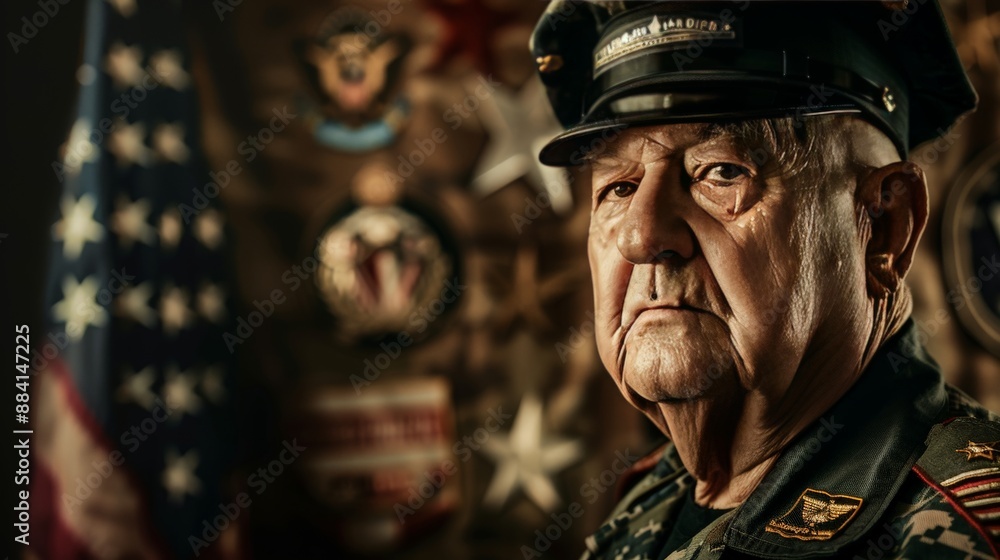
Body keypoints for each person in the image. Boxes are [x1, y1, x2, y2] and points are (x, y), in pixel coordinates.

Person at [531, 1, 1000, 558]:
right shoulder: (646, 499)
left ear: (882, 229)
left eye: (721, 172)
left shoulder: (968, 530)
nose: (641, 237)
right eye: (619, 188)